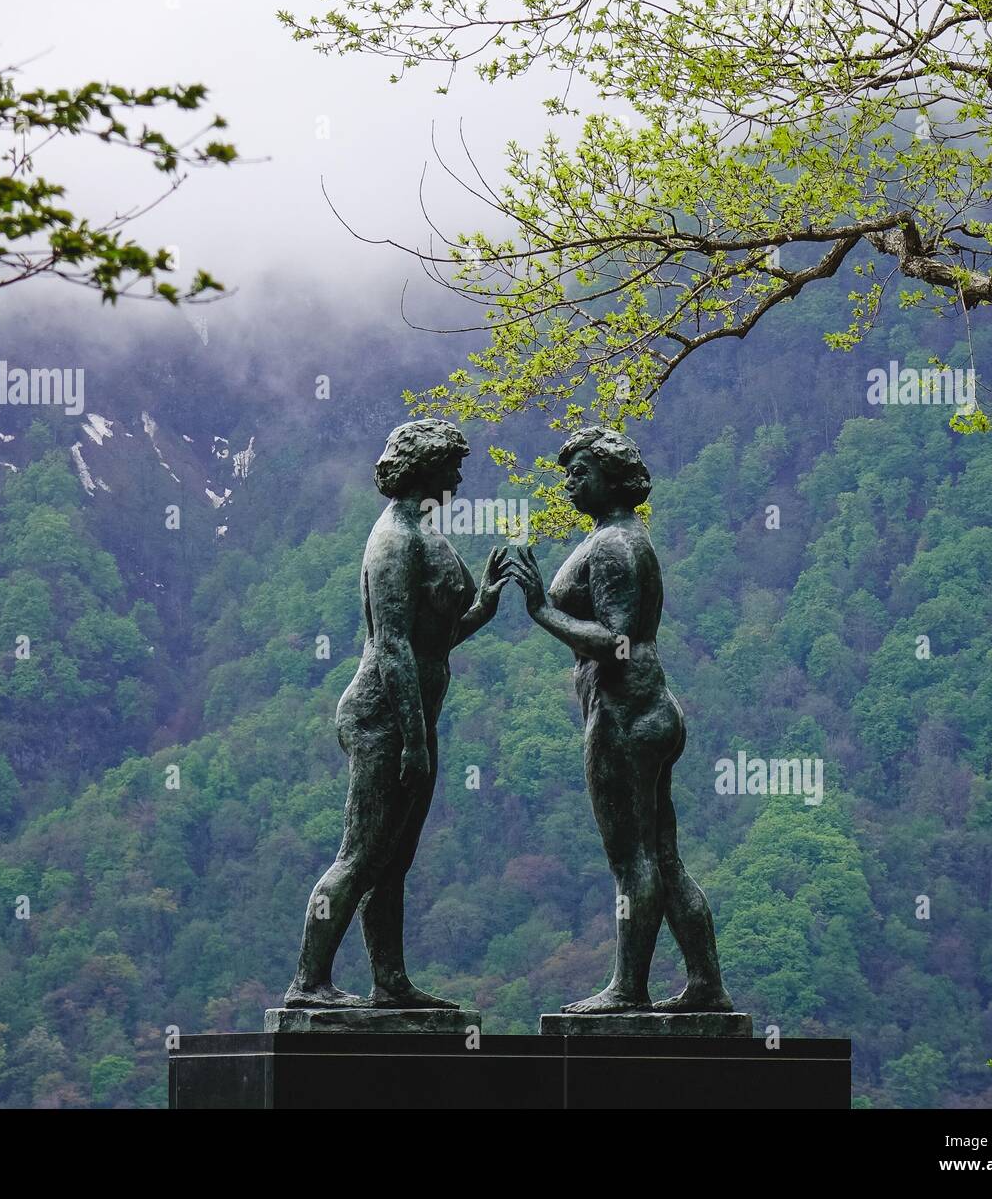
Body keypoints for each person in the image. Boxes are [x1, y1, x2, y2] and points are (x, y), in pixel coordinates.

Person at [505, 427, 733, 1014]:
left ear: (611, 476)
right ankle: (706, 984)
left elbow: (616, 640)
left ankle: (628, 989)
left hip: (624, 713)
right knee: (662, 855)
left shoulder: (612, 546)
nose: (569, 481)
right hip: (645, 708)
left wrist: (540, 611)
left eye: (581, 470)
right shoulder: (620, 536)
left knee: (632, 858)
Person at [285, 419, 510, 1008]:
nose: (460, 477)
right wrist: (412, 738)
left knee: (393, 861)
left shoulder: (423, 533)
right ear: (426, 469)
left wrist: (484, 604)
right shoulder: (394, 540)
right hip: (382, 718)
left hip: (413, 720)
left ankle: (390, 981)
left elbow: (436, 639)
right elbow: (392, 646)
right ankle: (309, 984)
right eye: (452, 466)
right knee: (361, 854)